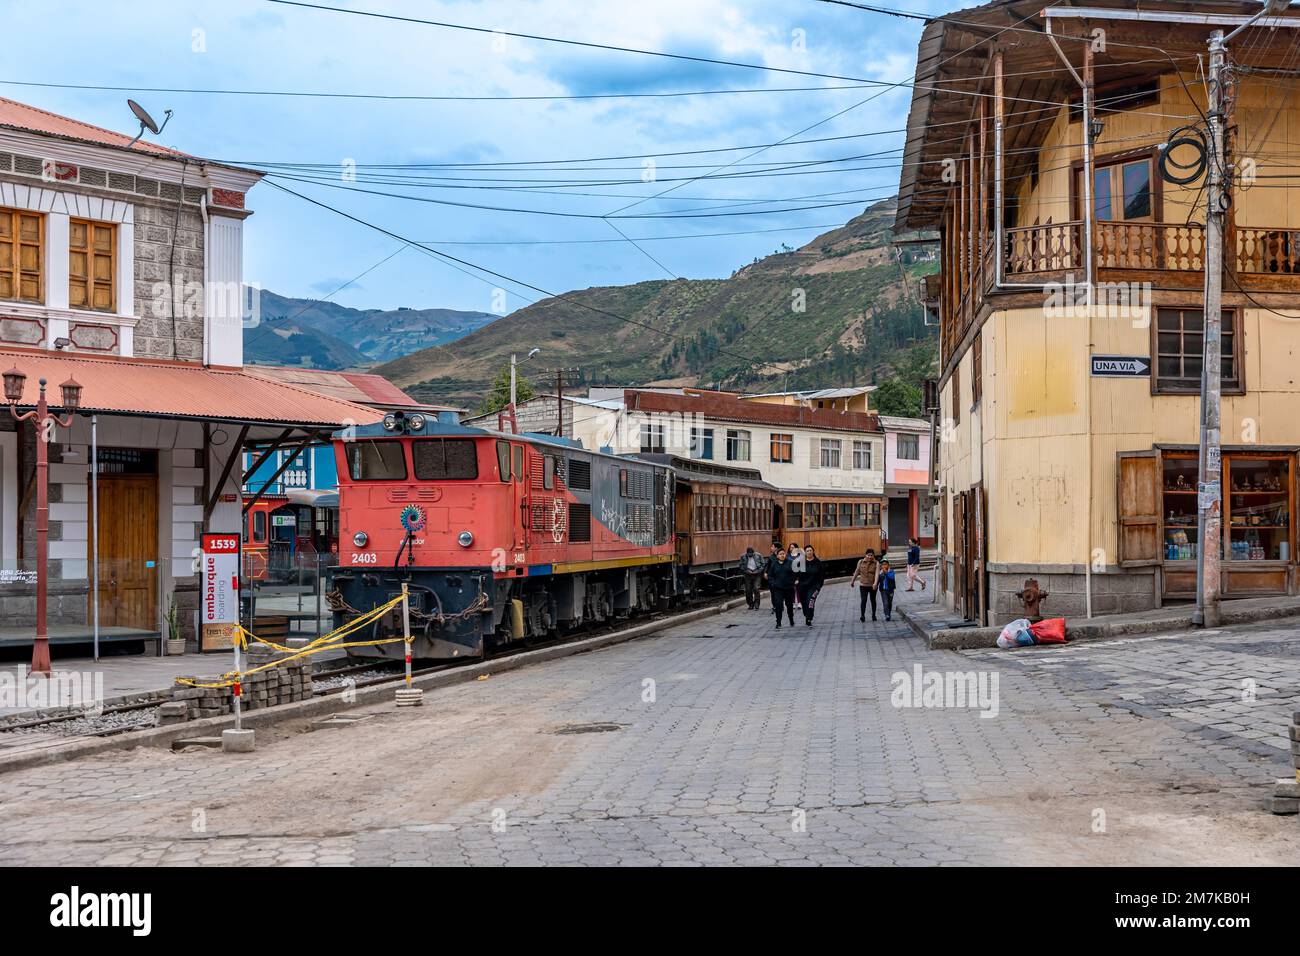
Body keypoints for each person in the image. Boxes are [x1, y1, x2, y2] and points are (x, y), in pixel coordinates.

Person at [766, 547, 795, 629]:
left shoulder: (790, 563)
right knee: (778, 605)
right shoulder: (774, 564)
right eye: (780, 554)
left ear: (786, 554)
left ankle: (791, 619)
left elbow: (795, 574)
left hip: (789, 588)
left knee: (789, 605)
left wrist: (792, 581)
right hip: (778, 589)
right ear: (777, 556)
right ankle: (778, 622)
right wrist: (773, 583)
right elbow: (770, 575)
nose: (782, 555)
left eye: (783, 554)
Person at [797, 545, 826, 626]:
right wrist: (797, 580)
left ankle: (809, 618)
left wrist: (819, 586)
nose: (809, 552)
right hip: (802, 587)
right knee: (804, 603)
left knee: (810, 601)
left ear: (813, 551)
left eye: (810, 550)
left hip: (814, 587)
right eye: (807, 551)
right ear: (805, 553)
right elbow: (796, 574)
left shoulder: (818, 563)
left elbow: (822, 576)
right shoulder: (801, 563)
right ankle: (807, 614)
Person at [850, 548, 879, 622]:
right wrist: (852, 581)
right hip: (863, 585)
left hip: (872, 585)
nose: (870, 557)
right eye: (868, 555)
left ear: (873, 555)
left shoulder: (876, 563)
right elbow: (857, 571)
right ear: (865, 555)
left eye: (871, 555)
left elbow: (877, 574)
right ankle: (862, 615)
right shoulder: (860, 562)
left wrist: (875, 583)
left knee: (873, 600)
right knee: (863, 600)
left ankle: (873, 615)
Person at [788, 542, 805, 609]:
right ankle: (793, 602)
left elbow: (802, 568)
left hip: (798, 575)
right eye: (790, 547)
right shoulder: (787, 556)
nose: (791, 549)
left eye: (793, 547)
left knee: (798, 589)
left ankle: (799, 602)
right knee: (791, 590)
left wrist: (798, 578)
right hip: (790, 576)